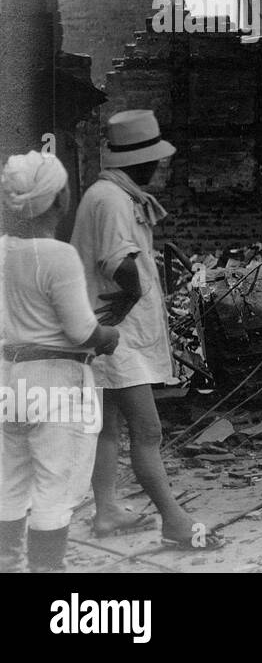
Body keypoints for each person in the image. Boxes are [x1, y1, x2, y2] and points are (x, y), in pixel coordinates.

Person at [71, 110, 213, 548]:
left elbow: (122, 252)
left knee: (109, 427)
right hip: (118, 336)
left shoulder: (110, 193)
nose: (158, 167)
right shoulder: (112, 200)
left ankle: (108, 511)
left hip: (108, 332)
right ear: (141, 162)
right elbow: (119, 262)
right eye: (154, 160)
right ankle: (175, 520)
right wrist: (132, 297)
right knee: (147, 431)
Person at [1, 152, 120, 572]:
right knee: (54, 488)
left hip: (9, 378)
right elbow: (82, 333)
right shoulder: (58, 256)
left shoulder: (2, 251)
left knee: (9, 484)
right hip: (55, 382)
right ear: (60, 199)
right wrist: (109, 336)